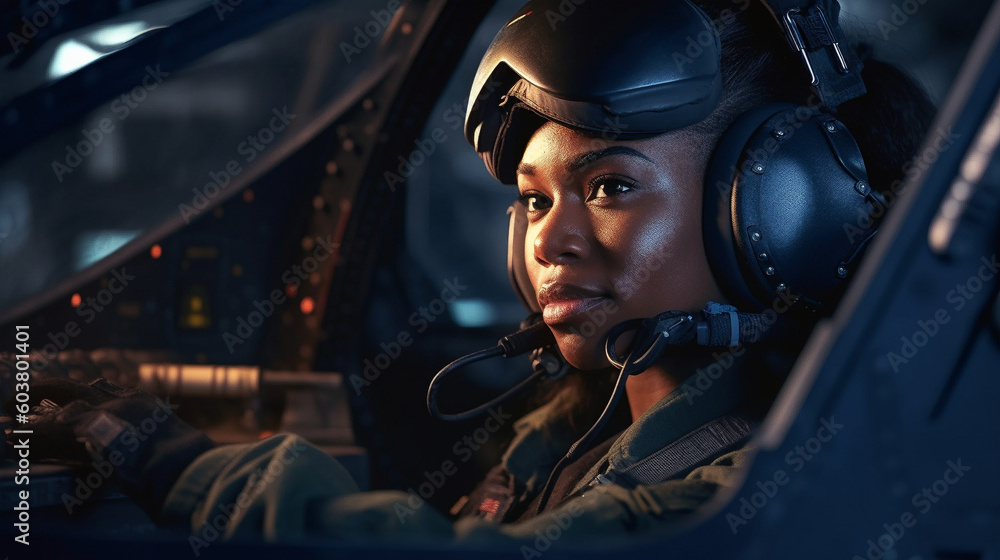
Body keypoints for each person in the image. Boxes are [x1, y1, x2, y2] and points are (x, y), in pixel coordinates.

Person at [5, 0, 933, 549]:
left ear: (781, 211)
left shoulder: (762, 489)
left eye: (608, 186)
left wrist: (184, 467)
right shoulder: (575, 426)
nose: (549, 241)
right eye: (532, 200)